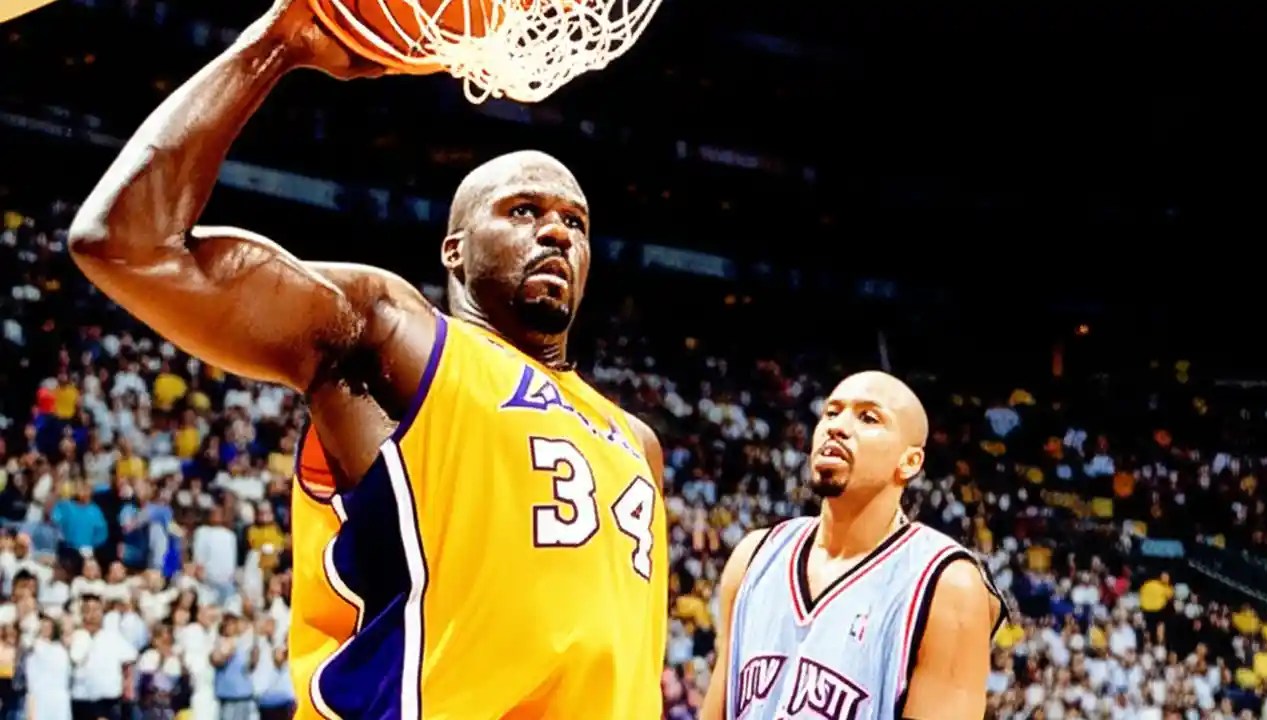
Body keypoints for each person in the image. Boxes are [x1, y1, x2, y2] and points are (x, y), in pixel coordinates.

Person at [65, 0, 668, 716]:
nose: (556, 234)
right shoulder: (398, 337)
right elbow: (127, 244)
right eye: (523, 211)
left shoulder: (638, 443)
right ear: (455, 250)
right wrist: (279, 42)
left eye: (575, 222)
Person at [700, 371, 1006, 720]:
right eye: (831, 412)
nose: (838, 426)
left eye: (868, 417)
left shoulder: (946, 585)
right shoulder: (753, 558)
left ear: (910, 462)